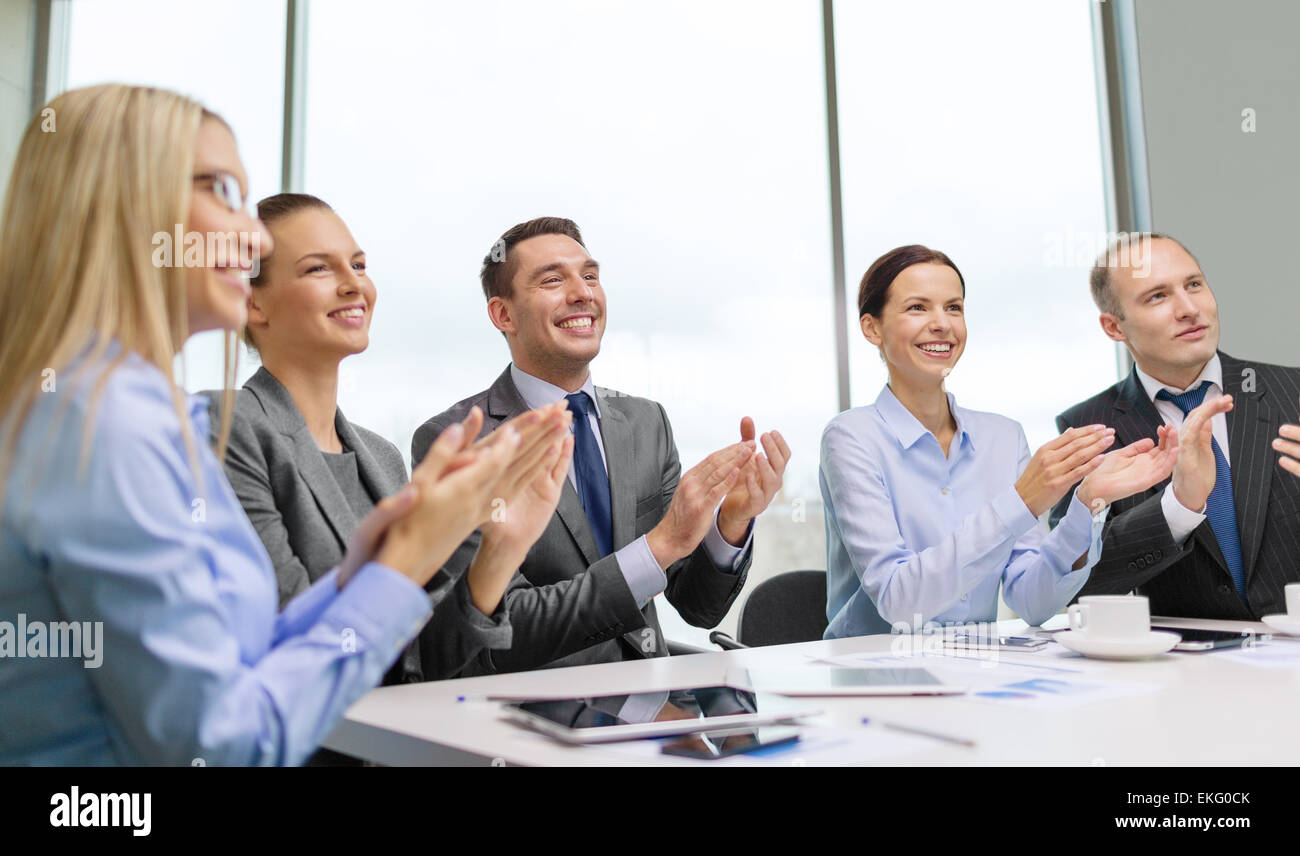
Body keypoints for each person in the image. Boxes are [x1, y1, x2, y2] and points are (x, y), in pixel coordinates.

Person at [0, 84, 567, 765]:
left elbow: (247, 657)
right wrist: (408, 558)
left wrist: (377, 566)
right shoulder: (105, 427)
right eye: (219, 189)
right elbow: (225, 741)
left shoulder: (139, 412)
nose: (254, 235)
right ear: (120, 206)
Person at [208, 194, 573, 763]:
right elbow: (294, 649)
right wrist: (424, 538)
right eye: (318, 268)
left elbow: (421, 660)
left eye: (357, 264)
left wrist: (500, 549)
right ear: (254, 304)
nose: (355, 284)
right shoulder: (227, 428)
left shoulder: (380, 457)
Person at [412, 217, 789, 677]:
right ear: (503, 315)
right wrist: (659, 545)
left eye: (590, 276)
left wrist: (730, 523)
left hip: (654, 709)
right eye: (553, 280)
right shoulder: (458, 442)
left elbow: (698, 609)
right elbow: (499, 632)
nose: (582, 293)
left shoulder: (647, 422)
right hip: (532, 715)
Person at [821, 245, 1177, 638]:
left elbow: (1033, 602)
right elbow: (899, 601)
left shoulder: (1003, 437)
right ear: (872, 328)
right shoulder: (851, 438)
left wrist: (1087, 503)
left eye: (954, 307)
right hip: (873, 677)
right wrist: (1021, 501)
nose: (942, 324)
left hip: (975, 672)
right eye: (918, 308)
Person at [1052, 233, 1300, 619]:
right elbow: (1072, 585)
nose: (1188, 308)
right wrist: (1178, 508)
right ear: (1114, 327)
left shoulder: (1294, 394)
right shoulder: (1088, 429)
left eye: (1194, 285)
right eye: (1157, 296)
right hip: (1182, 670)